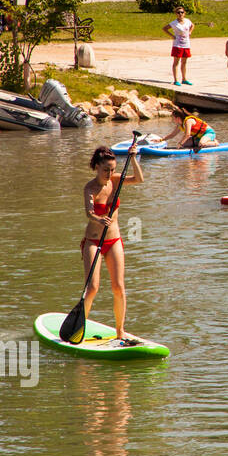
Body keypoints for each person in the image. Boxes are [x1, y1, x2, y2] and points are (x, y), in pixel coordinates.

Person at [81, 145, 145, 344]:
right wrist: (98, 219)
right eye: (106, 169)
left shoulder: (116, 181)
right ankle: (79, 328)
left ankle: (120, 331)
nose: (109, 174)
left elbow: (139, 179)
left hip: (114, 240)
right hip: (93, 241)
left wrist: (133, 158)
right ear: (97, 167)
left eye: (112, 169)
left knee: (119, 287)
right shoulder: (90, 188)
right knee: (92, 287)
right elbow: (89, 212)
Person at [163, 5, 194, 86]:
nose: (180, 14)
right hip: (177, 45)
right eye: (178, 12)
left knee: (184, 62)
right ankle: (176, 80)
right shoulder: (174, 23)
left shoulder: (187, 21)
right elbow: (164, 28)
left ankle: (184, 79)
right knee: (176, 62)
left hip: (186, 44)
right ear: (176, 14)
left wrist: (190, 32)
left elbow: (192, 25)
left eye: (182, 12)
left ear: (184, 13)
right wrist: (172, 36)